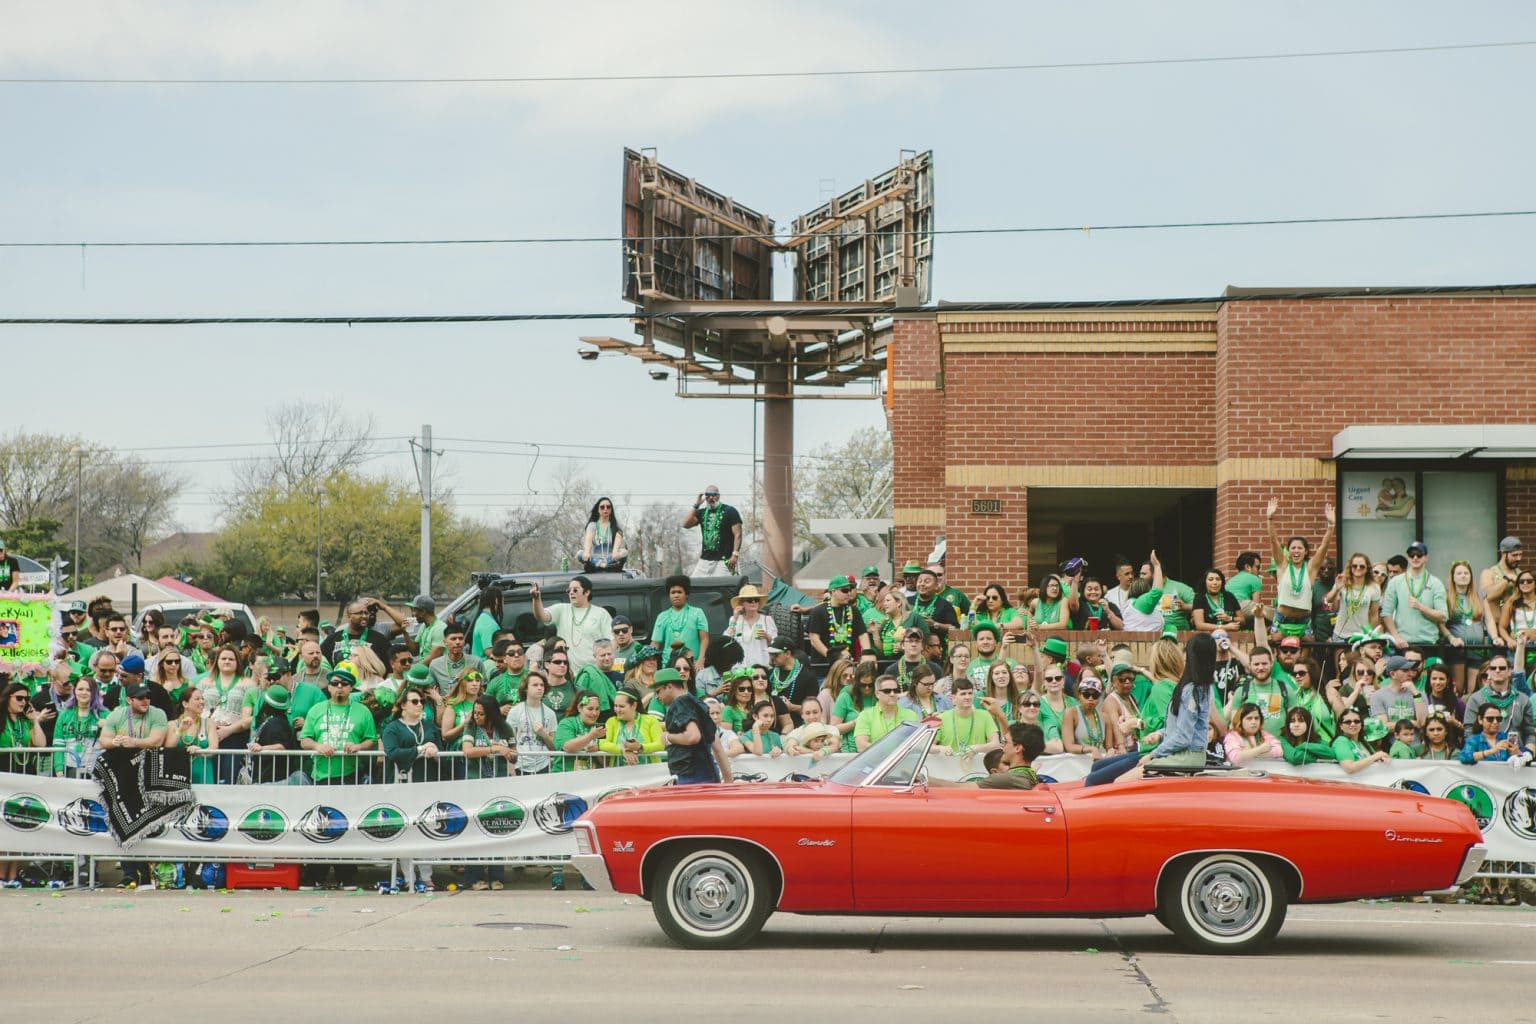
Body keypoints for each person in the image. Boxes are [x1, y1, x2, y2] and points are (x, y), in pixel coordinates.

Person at [1085, 633, 1218, 785]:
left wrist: (1152, 754)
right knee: (1102, 772)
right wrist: (1160, 734)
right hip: (1187, 754)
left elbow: (1183, 736)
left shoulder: (1190, 690)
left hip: (1184, 756)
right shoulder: (1204, 688)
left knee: (1119, 783)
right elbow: (1183, 727)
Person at [1265, 498, 1336, 637]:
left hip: (1304, 622)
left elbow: (1323, 547)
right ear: (1288, 551)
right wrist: (1270, 519)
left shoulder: (1310, 568)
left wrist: (1331, 526)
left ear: (1306, 551)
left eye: (1300, 548)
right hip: (1282, 621)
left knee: (1307, 657)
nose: (1296, 551)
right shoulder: (1283, 566)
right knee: (1280, 654)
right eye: (1293, 548)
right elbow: (1273, 542)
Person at [653, 667, 732, 784]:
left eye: (658, 691)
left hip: (692, 778)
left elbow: (693, 736)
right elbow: (718, 748)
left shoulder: (680, 704)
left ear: (669, 687)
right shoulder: (698, 703)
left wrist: (668, 737)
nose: (657, 697)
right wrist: (728, 781)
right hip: (710, 775)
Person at [531, 575, 613, 673]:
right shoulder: (561, 609)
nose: (571, 593)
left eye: (575, 590)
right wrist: (536, 599)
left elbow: (611, 642)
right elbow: (541, 616)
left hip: (594, 673)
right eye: (569, 590)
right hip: (567, 674)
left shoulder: (601, 613)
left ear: (587, 592)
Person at [1462, 652, 1534, 759]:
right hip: (1485, 759)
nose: (1497, 670)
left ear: (1509, 671)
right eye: (1493, 668)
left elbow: (1530, 733)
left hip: (1515, 759)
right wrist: (1483, 753)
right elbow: (1469, 732)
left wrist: (1527, 753)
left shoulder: (1523, 699)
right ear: (1489, 673)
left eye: (1502, 668)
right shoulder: (1475, 699)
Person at [1380, 540, 1448, 652]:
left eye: (1419, 555)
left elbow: (1443, 616)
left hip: (1428, 643)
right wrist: (1396, 638)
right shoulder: (1396, 582)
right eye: (1412, 555)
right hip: (1403, 644)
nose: (1415, 558)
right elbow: (1386, 613)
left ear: (1426, 558)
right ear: (1408, 557)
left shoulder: (1435, 583)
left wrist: (1421, 607)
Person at [51, 676, 106, 777]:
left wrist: (108, 725)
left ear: (94, 692)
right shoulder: (65, 714)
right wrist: (59, 770)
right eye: (80, 689)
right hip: (70, 769)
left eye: (88, 690)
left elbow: (117, 737)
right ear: (74, 691)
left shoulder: (104, 714)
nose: (84, 693)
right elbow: (58, 744)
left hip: (97, 771)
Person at [506, 671, 558, 774]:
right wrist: (511, 766)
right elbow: (509, 742)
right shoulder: (515, 711)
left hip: (544, 765)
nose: (539, 688)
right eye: (535, 685)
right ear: (526, 688)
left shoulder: (550, 713)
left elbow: (554, 748)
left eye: (542, 685)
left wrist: (544, 734)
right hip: (520, 765)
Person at [245, 685, 301, 784]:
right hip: (268, 776)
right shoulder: (274, 720)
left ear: (266, 703)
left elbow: (282, 746)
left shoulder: (277, 723)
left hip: (274, 780)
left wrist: (262, 748)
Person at [684, 485, 743, 576]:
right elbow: (685, 524)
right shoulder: (702, 512)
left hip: (725, 560)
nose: (711, 497)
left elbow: (738, 534)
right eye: (708, 495)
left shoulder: (730, 511)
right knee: (694, 585)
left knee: (726, 587)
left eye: (714, 494)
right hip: (705, 560)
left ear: (718, 496)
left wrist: (735, 555)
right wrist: (697, 504)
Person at [651, 575, 710, 665]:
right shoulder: (662, 616)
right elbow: (655, 644)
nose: (676, 595)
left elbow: (704, 639)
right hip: (668, 665)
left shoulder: (697, 613)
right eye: (673, 592)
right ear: (669, 595)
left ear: (686, 594)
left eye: (679, 592)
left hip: (692, 665)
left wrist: (701, 660)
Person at [852, 672, 919, 751]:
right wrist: (889, 753)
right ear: (877, 694)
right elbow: (861, 746)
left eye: (895, 690)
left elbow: (918, 744)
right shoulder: (865, 715)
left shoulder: (911, 715)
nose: (892, 694)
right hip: (876, 762)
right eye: (887, 691)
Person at [1327, 553, 1382, 644]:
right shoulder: (1343, 581)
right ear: (1350, 567)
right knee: (1341, 658)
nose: (1358, 568)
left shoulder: (1374, 587)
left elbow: (1374, 615)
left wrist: (1372, 637)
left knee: (1359, 658)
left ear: (1367, 568)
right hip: (1341, 633)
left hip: (1361, 635)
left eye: (1362, 566)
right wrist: (1336, 589)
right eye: (1354, 566)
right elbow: (1329, 601)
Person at [321, 599, 394, 667]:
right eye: (360, 613)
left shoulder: (379, 639)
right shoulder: (333, 639)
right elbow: (322, 663)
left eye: (366, 613)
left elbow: (390, 667)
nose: (364, 616)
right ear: (349, 615)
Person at [600, 688, 663, 765]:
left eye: (621, 706)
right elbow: (602, 743)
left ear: (634, 705)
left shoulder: (650, 720)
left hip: (648, 774)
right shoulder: (611, 721)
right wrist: (622, 749)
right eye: (615, 706)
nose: (617, 710)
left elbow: (661, 744)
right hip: (618, 774)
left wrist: (640, 747)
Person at [722, 583, 776, 668]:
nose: (753, 602)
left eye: (756, 599)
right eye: (750, 600)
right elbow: (726, 640)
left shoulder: (767, 620)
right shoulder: (735, 619)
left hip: (762, 668)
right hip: (740, 668)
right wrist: (735, 619)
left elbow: (776, 644)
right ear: (742, 603)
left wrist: (767, 636)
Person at [1060, 675, 1113, 757]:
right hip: (1079, 762)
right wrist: (1091, 749)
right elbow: (1069, 746)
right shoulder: (1071, 713)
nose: (1091, 699)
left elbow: (1109, 747)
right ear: (1079, 695)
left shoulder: (1105, 717)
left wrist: (1111, 751)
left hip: (1101, 761)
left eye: (1095, 695)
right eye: (1086, 695)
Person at [554, 691, 606, 771]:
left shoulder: (599, 727)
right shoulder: (567, 723)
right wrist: (591, 736)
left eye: (597, 709)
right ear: (579, 708)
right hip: (565, 775)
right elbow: (568, 747)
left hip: (590, 777)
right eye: (590, 709)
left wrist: (598, 750)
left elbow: (605, 763)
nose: (594, 713)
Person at [1369, 655, 1426, 728]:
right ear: (1393, 674)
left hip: (1414, 739)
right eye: (1405, 670)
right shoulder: (1378, 696)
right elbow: (1382, 727)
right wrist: (1411, 723)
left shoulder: (1418, 694)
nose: (1410, 674)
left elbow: (1422, 723)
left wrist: (1416, 695)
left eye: (1410, 670)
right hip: (1390, 739)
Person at [428, 620, 483, 694]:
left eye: (460, 638)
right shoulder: (435, 665)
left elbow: (483, 687)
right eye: (453, 639)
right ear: (445, 643)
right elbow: (432, 691)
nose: (458, 642)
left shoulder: (476, 662)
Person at [909, 568, 959, 649]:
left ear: (936, 586)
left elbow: (954, 628)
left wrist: (935, 624)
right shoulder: (907, 602)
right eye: (920, 581)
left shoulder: (944, 605)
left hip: (934, 649)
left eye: (927, 582)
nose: (922, 584)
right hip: (910, 648)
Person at [581, 496, 628, 571]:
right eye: (602, 507)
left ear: (611, 509)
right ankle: (603, 565)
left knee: (624, 552)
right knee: (580, 554)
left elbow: (618, 540)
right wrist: (586, 552)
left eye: (608, 507)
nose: (605, 509)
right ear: (598, 510)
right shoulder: (592, 525)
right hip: (595, 557)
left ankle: (601, 565)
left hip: (611, 557)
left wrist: (615, 552)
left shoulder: (615, 525)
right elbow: (588, 541)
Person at [1480, 536, 1524, 612]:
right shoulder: (1489, 573)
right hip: (1496, 622)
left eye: (1520, 554)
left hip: (1516, 621)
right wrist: (1507, 579)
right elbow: (1487, 596)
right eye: (1514, 555)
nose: (1518, 558)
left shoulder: (1521, 573)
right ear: (1503, 553)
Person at [1191, 569, 1243, 634]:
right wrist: (1225, 627)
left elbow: (1242, 620)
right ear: (1205, 582)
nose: (1215, 582)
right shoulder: (1199, 598)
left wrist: (1230, 618)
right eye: (1210, 579)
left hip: (1231, 637)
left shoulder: (1230, 596)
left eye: (1218, 579)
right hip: (1207, 637)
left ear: (1222, 582)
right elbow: (1199, 625)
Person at [410, 595, 446, 665]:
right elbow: (414, 651)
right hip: (425, 670)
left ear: (423, 611)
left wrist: (414, 670)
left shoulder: (440, 628)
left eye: (414, 610)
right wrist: (404, 631)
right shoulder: (423, 626)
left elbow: (434, 657)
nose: (412, 614)